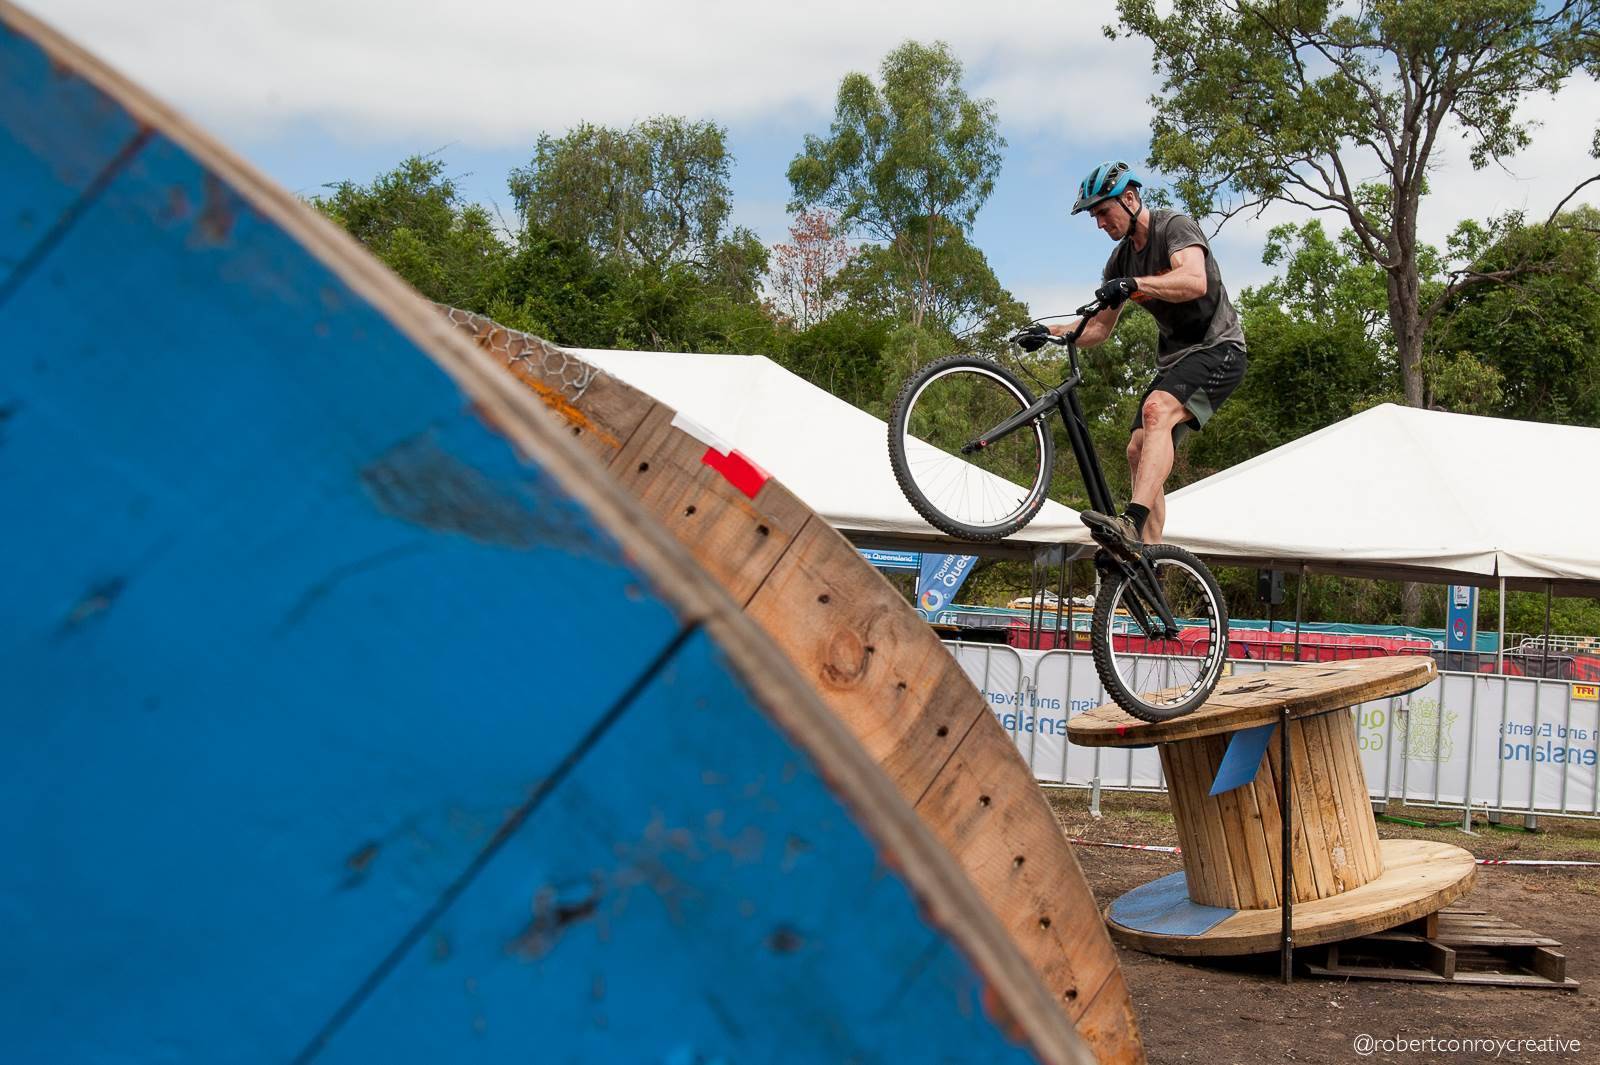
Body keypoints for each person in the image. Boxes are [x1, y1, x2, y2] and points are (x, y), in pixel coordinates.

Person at [1030, 160, 1247, 558]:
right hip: (1178, 361)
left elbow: (1194, 280)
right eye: (1093, 216)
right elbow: (1097, 329)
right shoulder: (1119, 261)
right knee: (1137, 448)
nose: (1099, 224)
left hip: (1220, 349)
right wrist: (1050, 333)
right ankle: (1151, 556)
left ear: (1129, 199)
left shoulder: (1174, 227)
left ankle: (1130, 519)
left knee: (1156, 409)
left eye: (1102, 212)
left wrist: (1135, 284)